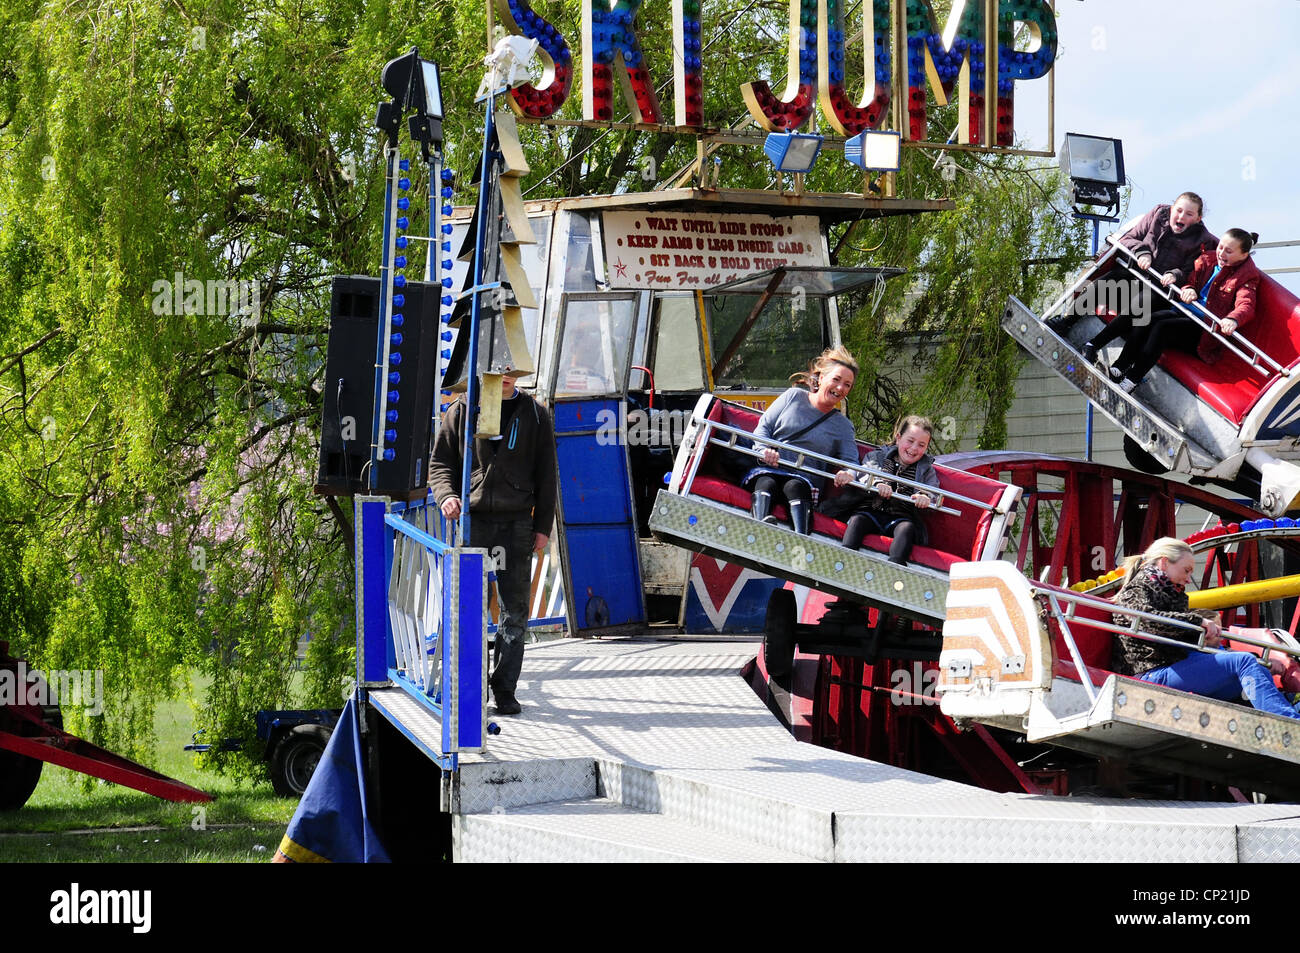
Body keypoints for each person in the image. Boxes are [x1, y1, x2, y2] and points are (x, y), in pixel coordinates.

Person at [429, 374, 557, 716]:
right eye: (498, 371)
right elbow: (440, 464)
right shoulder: (462, 410)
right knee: (470, 606)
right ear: (484, 371)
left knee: (515, 610)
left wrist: (542, 526)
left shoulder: (535, 414)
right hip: (474, 521)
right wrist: (447, 497)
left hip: (518, 524)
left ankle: (504, 690)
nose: (505, 378)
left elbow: (548, 475)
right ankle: (471, 692)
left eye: (512, 371)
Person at [1111, 537, 1300, 721]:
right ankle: (1289, 722)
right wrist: (1197, 621)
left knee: (1254, 667)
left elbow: (1187, 639)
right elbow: (1148, 621)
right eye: (1186, 571)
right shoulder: (1135, 591)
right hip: (1151, 672)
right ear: (1164, 563)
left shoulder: (1171, 594)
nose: (1188, 579)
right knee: (1243, 662)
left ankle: (1269, 718)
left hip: (1174, 665)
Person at [1085, 228, 1261, 393]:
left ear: (1243, 255)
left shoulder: (1247, 276)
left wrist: (1233, 319)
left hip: (1203, 329)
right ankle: (1120, 366)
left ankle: (1132, 379)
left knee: (1163, 327)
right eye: (1221, 247)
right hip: (1182, 312)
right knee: (1148, 318)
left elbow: (1246, 304)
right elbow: (1189, 280)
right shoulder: (1207, 259)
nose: (1221, 253)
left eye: (1229, 251)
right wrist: (1189, 288)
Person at [1055, 192, 1214, 332]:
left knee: (1142, 303)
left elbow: (1189, 272)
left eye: (1189, 214)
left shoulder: (1202, 240)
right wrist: (1143, 252)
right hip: (1134, 276)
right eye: (1179, 211)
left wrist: (1174, 275)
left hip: (1157, 291)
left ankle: (1093, 346)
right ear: (1172, 209)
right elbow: (1128, 238)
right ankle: (1066, 321)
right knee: (1103, 284)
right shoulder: (1158, 214)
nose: (1181, 217)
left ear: (1198, 219)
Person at [745, 346, 860, 535]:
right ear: (821, 378)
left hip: (803, 480)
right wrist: (763, 450)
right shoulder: (793, 397)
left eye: (847, 385)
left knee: (795, 487)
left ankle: (801, 537)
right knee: (767, 483)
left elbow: (851, 463)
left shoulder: (843, 426)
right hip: (771, 467)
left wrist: (848, 474)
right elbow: (764, 428)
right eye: (836, 380)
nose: (840, 388)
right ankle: (760, 526)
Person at [831, 415, 942, 566]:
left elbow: (932, 491)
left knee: (907, 528)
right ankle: (844, 560)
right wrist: (877, 483)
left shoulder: (926, 470)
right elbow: (865, 473)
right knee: (858, 520)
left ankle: (896, 566)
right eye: (910, 441)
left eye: (921, 445)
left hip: (900, 516)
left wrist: (925, 496)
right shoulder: (878, 456)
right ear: (898, 438)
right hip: (870, 510)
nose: (914, 448)